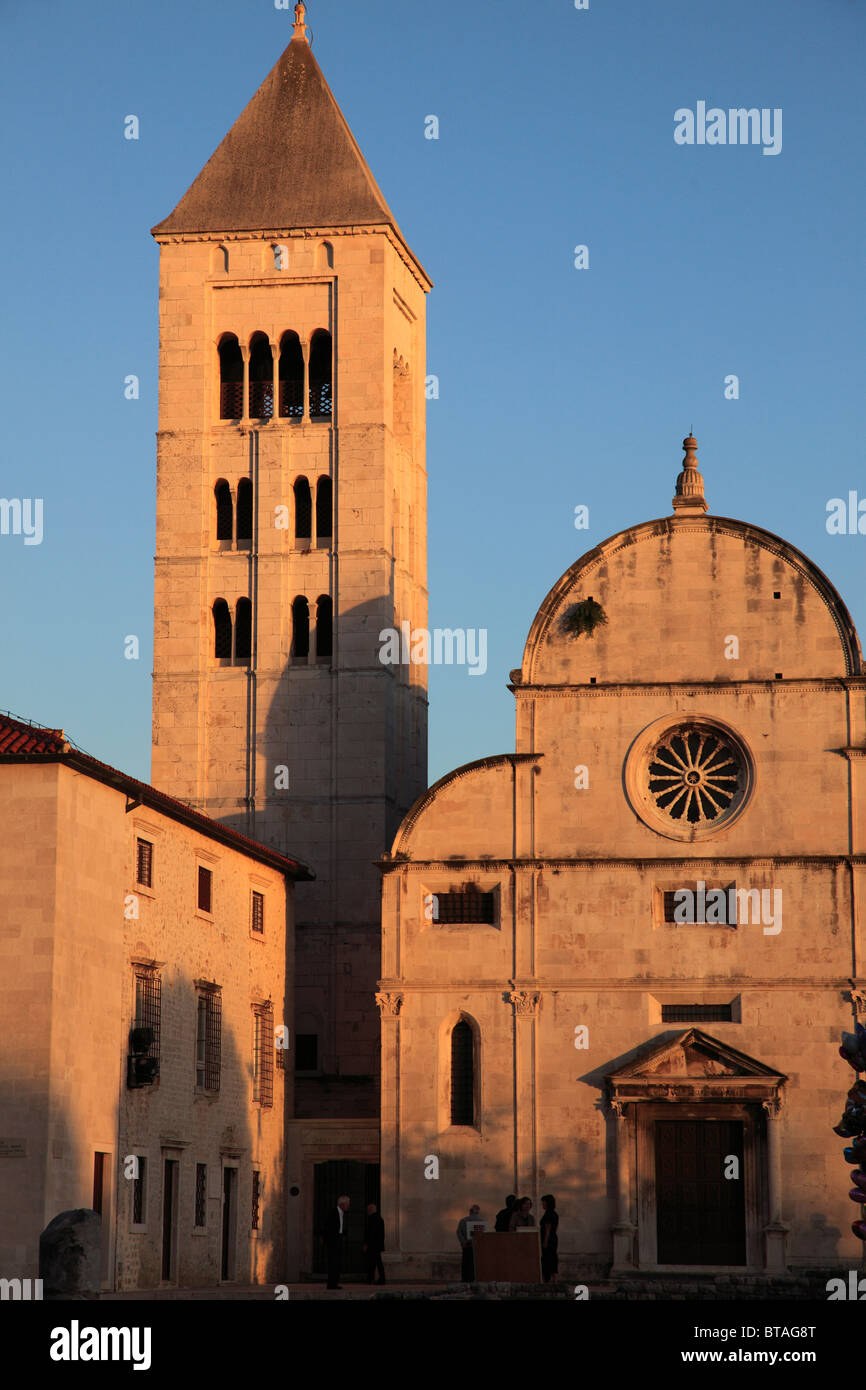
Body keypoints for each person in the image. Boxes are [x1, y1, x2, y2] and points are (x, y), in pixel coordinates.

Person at [324, 1194, 350, 1289]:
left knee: (338, 1263)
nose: (348, 1206)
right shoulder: (333, 1212)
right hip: (333, 1242)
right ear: (342, 1204)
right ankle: (331, 1284)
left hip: (339, 1240)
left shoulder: (343, 1214)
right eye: (347, 1204)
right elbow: (328, 1228)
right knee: (332, 1263)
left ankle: (334, 1283)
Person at [456, 1204, 482, 1281]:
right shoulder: (482, 1222)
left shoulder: (463, 1221)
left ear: (470, 1211)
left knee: (466, 1265)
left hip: (467, 1246)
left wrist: (464, 1243)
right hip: (477, 1248)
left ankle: (465, 1280)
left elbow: (459, 1233)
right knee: (475, 1265)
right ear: (478, 1212)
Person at [362, 1202, 386, 1284]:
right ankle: (378, 1279)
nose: (367, 1211)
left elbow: (370, 1233)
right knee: (376, 1263)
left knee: (373, 1263)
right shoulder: (380, 1219)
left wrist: (366, 1244)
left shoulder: (372, 1219)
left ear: (371, 1210)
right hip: (378, 1245)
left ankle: (374, 1279)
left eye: (368, 1209)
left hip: (373, 1245)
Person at [540, 1194, 559, 1282]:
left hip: (548, 1239)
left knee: (548, 1258)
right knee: (552, 1257)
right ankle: (554, 1278)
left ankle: (549, 1279)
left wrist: (545, 1241)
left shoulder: (548, 1214)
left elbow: (548, 1228)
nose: (542, 1204)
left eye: (543, 1202)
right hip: (553, 1238)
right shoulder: (555, 1214)